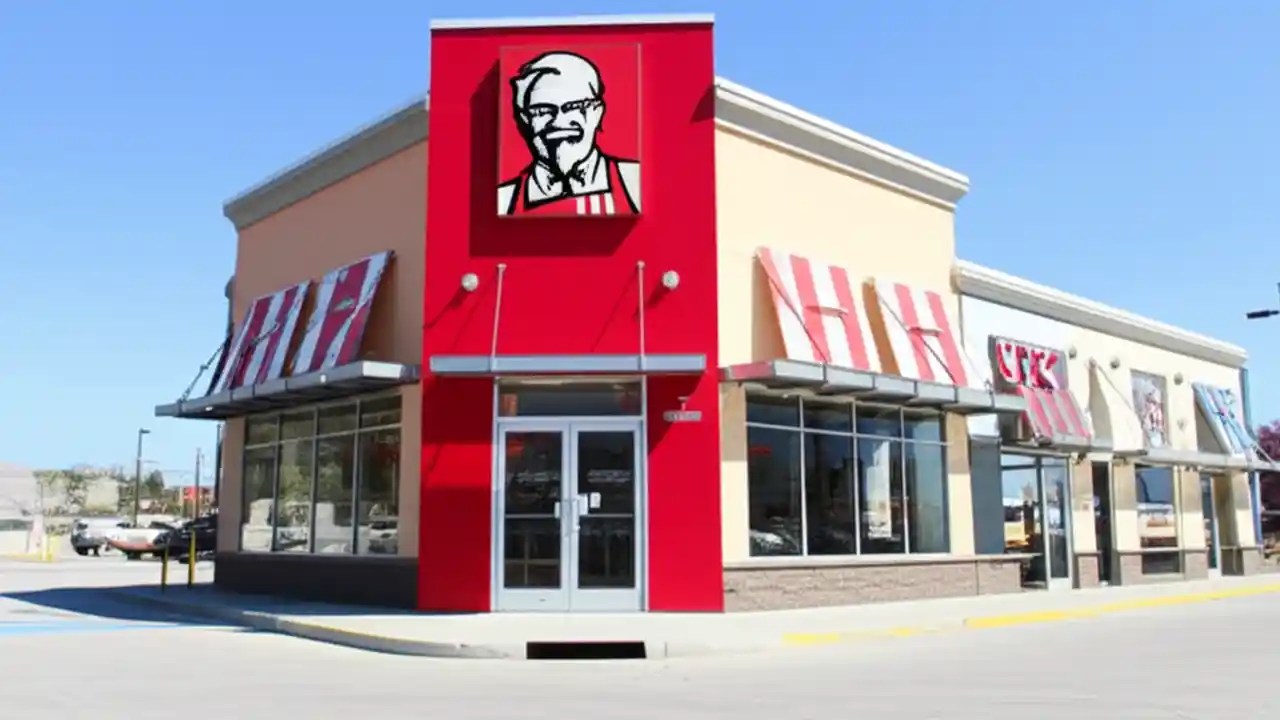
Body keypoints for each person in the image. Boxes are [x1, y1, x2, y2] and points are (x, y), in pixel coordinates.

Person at [498, 51, 640, 216]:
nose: (559, 122)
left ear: (597, 112)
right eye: (543, 110)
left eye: (574, 107)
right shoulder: (505, 199)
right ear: (525, 119)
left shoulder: (633, 182)